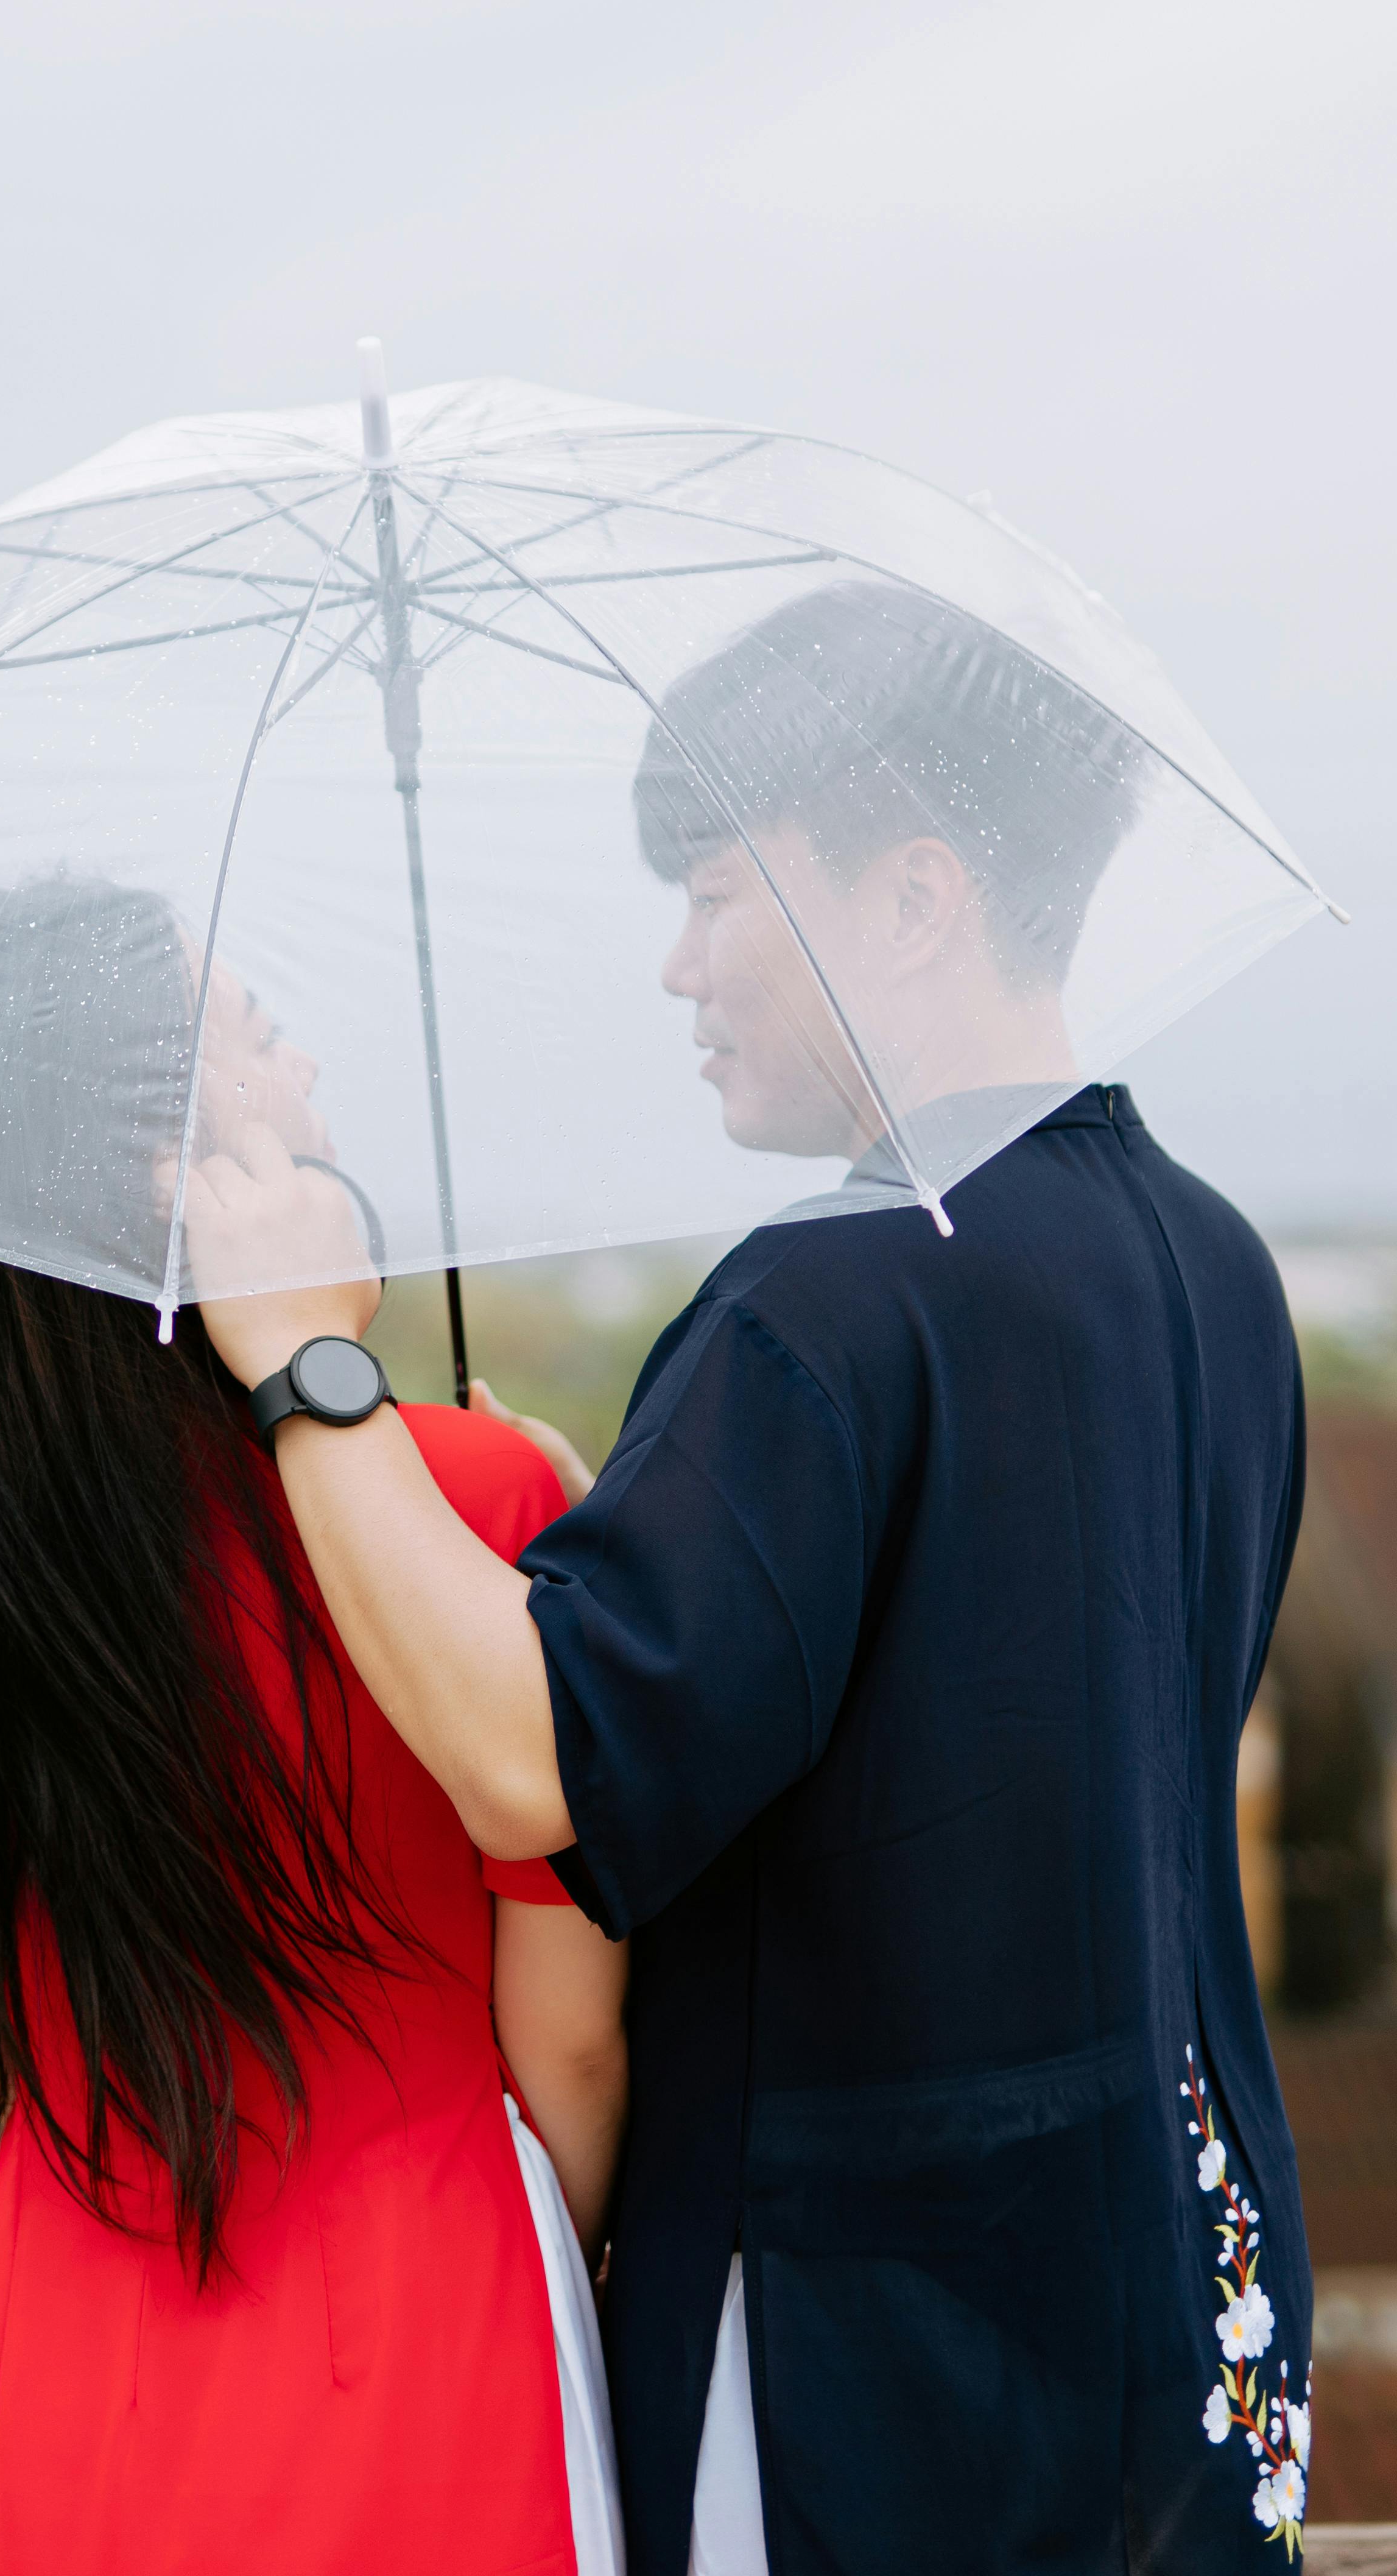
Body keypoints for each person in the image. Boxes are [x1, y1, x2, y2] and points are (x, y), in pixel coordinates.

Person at [185, 581, 1316, 2575]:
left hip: (861, 2354)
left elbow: (538, 1764)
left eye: (716, 895)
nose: (678, 968)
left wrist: (306, 1366)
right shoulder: (1209, 1265)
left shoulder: (827, 1303)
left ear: (914, 896)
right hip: (1177, 2298)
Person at [0, 873, 630, 2576]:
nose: (306, 1074)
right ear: (167, 1172)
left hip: (63, 2373)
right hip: (420, 2349)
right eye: (252, 1037)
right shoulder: (477, 1509)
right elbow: (578, 2055)